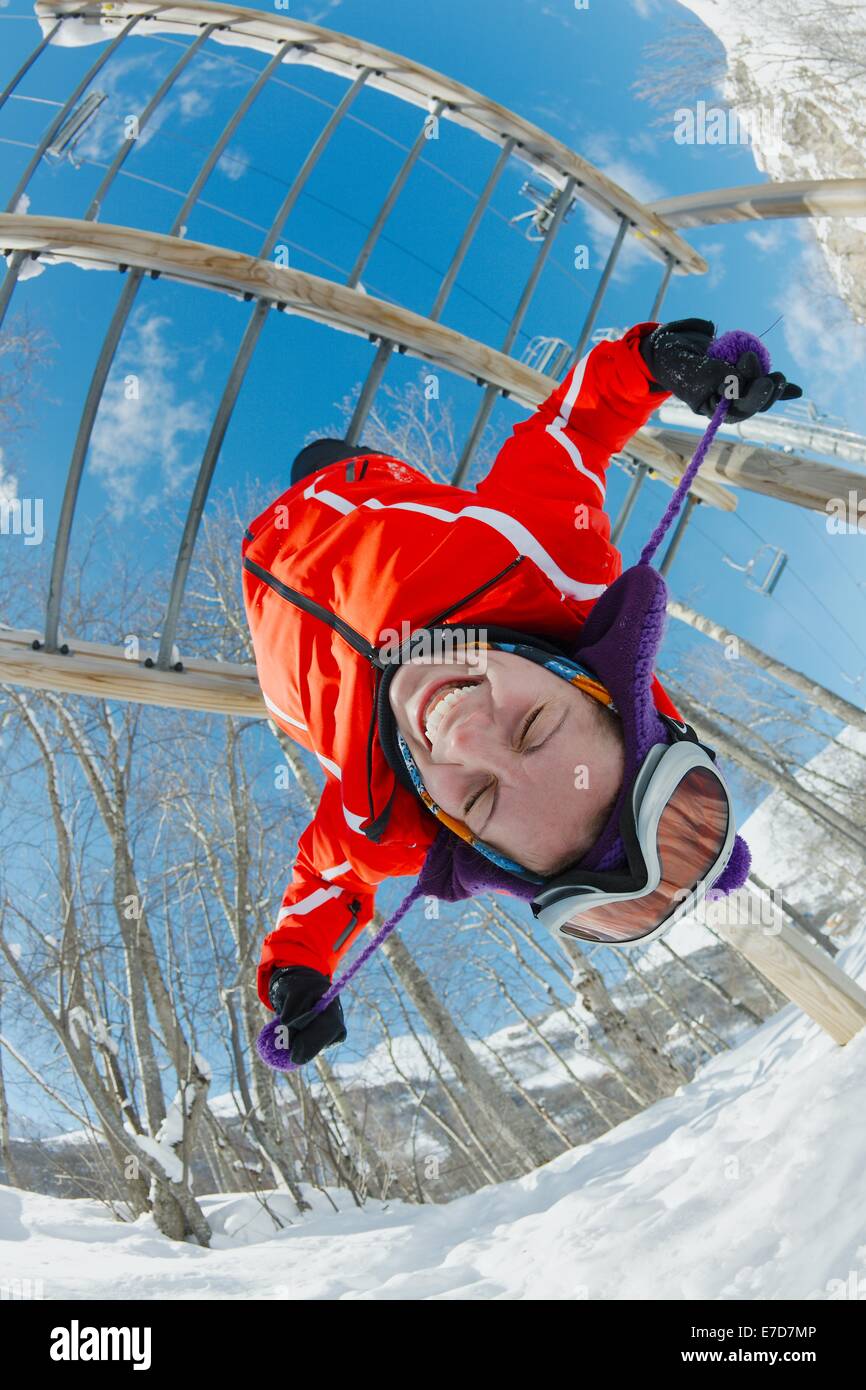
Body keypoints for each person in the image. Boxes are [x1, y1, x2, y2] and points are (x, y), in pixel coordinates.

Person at [241, 318, 801, 1066]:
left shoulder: (378, 818)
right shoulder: (541, 554)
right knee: (317, 450)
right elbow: (577, 428)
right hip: (351, 488)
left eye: (475, 799)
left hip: (257, 574)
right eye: (534, 726)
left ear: (458, 833)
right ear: (581, 678)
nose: (463, 737)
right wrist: (656, 364)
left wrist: (299, 968)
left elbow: (328, 877)